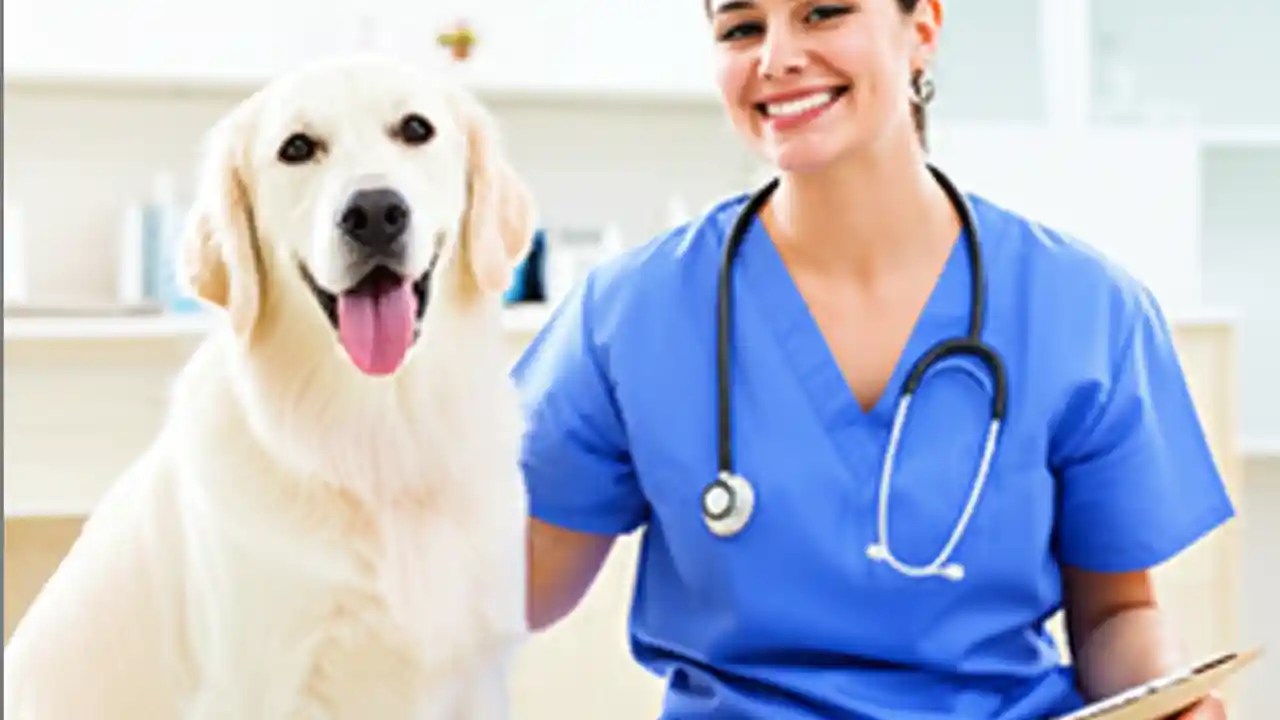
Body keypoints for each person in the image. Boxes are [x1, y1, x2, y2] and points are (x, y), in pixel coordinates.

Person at [511, 0, 1236, 717]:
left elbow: (1114, 616)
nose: (777, 57)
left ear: (921, 30)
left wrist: (1170, 700)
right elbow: (509, 594)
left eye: (824, 13)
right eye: (742, 28)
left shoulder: (1083, 308)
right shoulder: (633, 312)